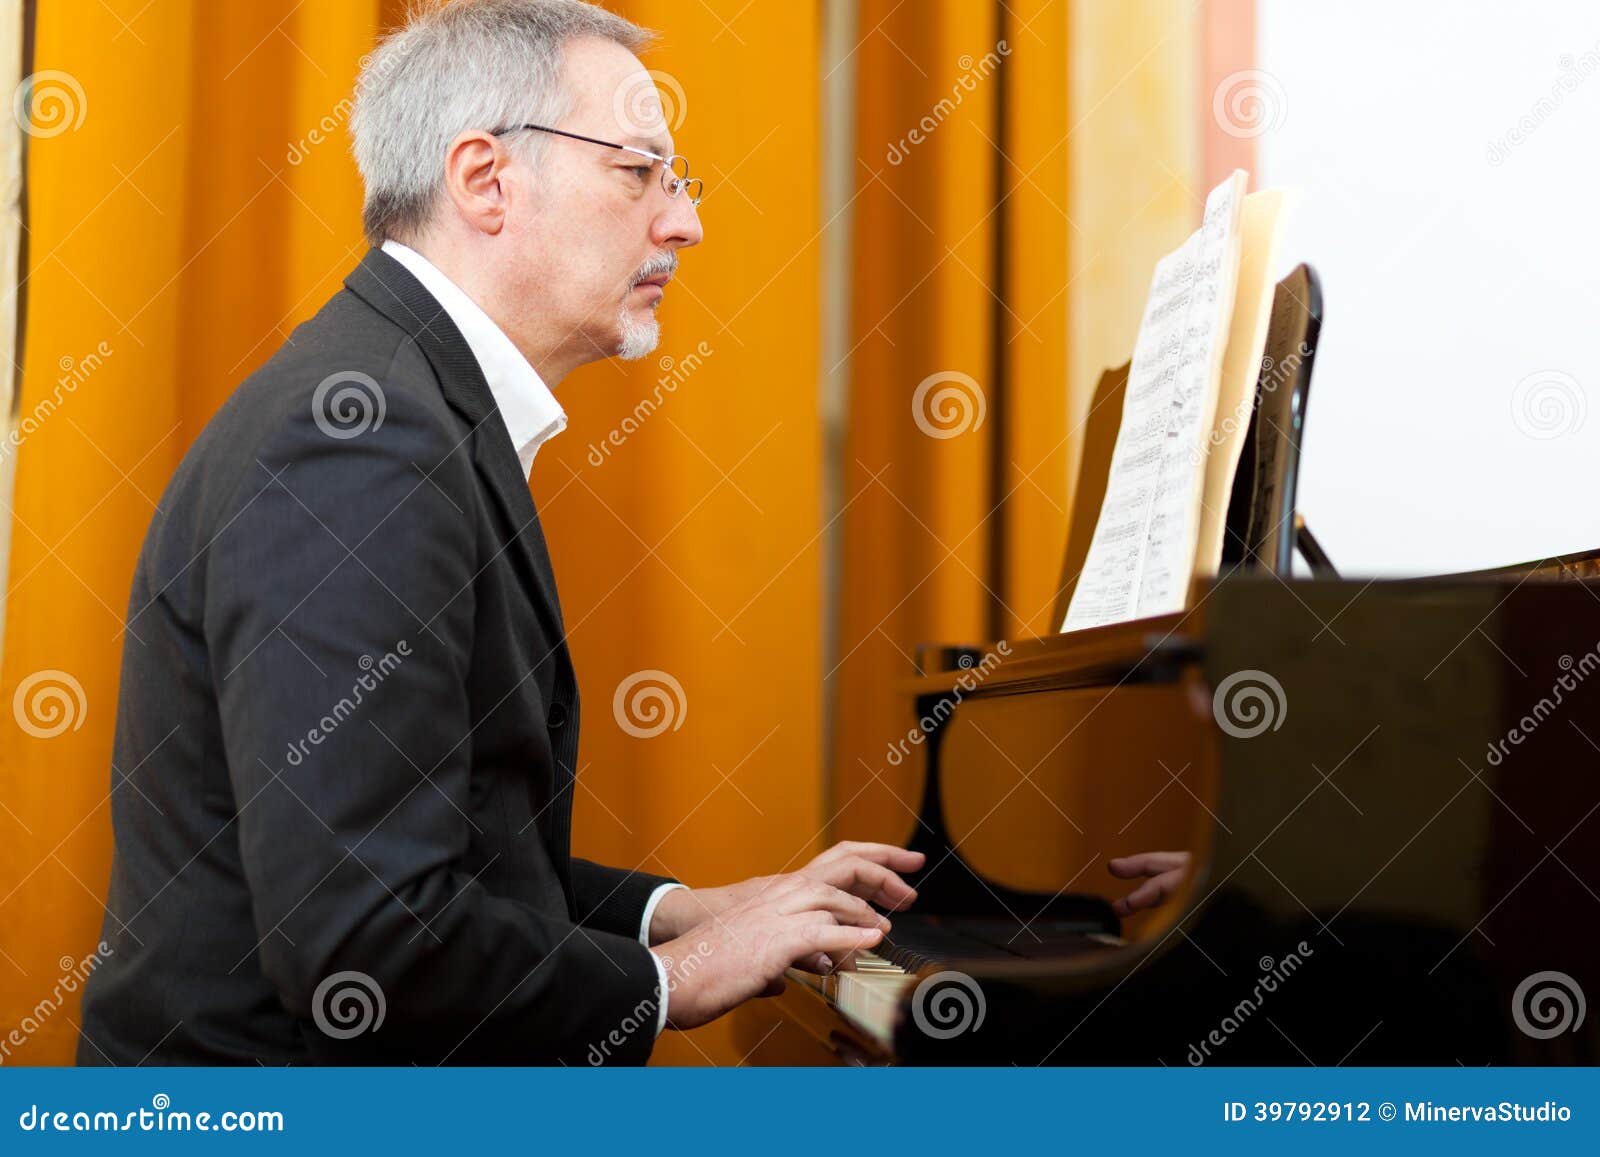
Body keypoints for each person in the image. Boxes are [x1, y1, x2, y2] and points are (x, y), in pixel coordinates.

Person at [77, 0, 1183, 1066]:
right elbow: (361, 941)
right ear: (485, 180)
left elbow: (448, 857)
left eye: (675, 177)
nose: (684, 221)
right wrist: (680, 974)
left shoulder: (397, 402)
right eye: (638, 171)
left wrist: (680, 911)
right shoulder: (362, 446)